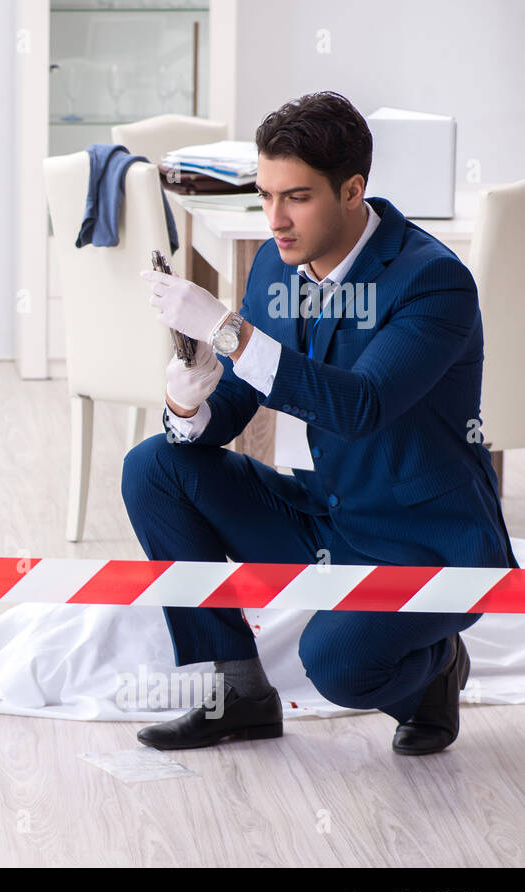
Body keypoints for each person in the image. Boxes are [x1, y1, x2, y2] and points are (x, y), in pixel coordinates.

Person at [126, 91, 517, 755]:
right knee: (154, 467)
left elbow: (361, 405)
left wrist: (227, 330)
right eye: (266, 194)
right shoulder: (278, 274)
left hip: (430, 545)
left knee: (334, 663)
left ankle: (433, 670)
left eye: (297, 198)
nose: (274, 219)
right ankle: (238, 692)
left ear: (352, 190)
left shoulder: (432, 282)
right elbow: (240, 407)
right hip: (332, 517)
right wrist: (188, 405)